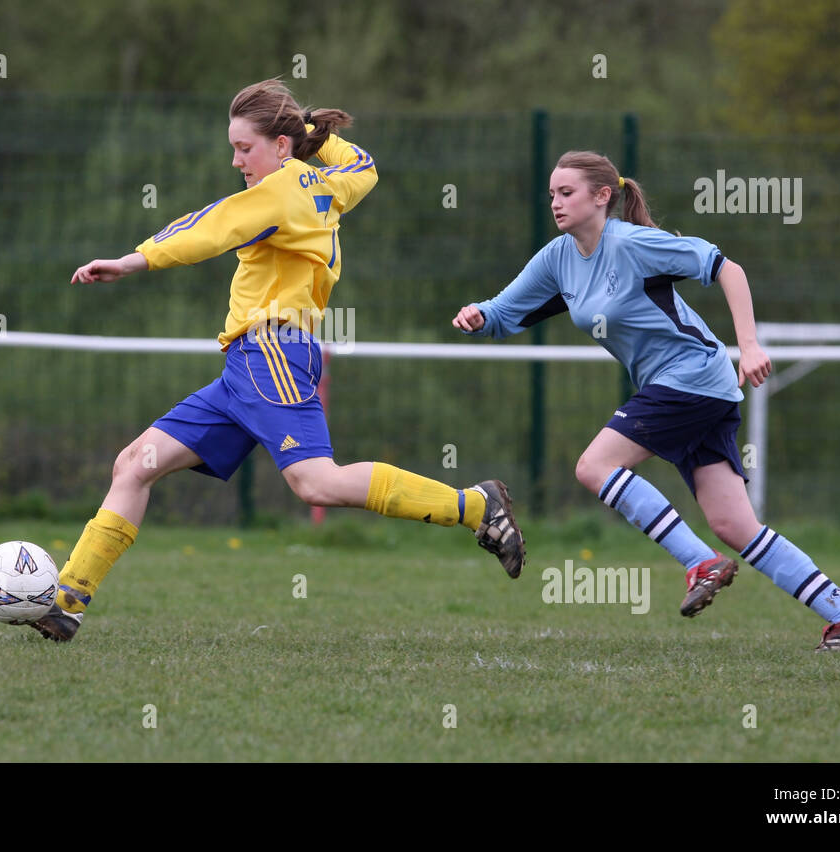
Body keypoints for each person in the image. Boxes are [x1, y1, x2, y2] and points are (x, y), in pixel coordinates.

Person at [29, 79, 523, 641]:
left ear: (281, 146)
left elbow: (207, 228)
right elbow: (363, 163)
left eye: (246, 148)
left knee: (317, 483)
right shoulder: (328, 185)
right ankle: (66, 601)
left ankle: (473, 506)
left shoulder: (278, 191)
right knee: (135, 464)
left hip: (272, 354)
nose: (238, 160)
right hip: (245, 365)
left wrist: (132, 260)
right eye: (234, 148)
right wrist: (312, 129)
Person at [452, 151, 840, 652]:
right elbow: (505, 310)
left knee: (594, 466)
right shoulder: (558, 258)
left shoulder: (633, 243)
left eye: (566, 193)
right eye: (551, 194)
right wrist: (478, 314)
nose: (556, 203)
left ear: (602, 196)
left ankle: (700, 563)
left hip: (693, 376)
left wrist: (750, 346)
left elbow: (727, 268)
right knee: (734, 525)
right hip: (692, 388)